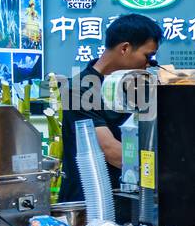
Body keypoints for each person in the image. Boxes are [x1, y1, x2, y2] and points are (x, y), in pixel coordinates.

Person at [57, 14, 162, 203]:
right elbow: (110, 151)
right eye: (147, 56)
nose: (149, 64)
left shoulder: (134, 86)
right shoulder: (78, 89)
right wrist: (166, 171)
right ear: (125, 48)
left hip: (128, 196)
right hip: (90, 201)